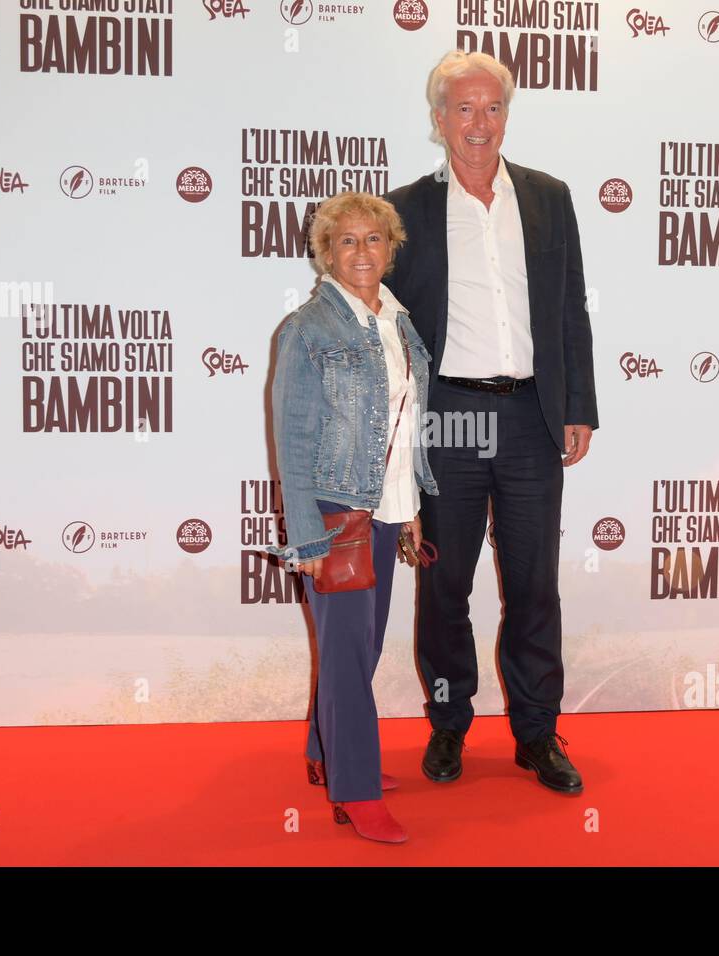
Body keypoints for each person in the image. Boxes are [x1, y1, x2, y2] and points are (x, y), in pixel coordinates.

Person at [385, 50, 599, 793]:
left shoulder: (549, 197)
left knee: (535, 584)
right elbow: (380, 327)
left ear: (508, 116)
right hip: (450, 415)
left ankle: (538, 734)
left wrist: (578, 406)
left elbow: (571, 309)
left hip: (534, 415)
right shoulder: (405, 211)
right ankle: (449, 724)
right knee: (446, 588)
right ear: (438, 118)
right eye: (464, 109)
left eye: (493, 108)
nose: (480, 124)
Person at [268, 191, 436, 843]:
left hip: (386, 505)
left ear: (391, 250)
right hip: (336, 508)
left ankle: (325, 751)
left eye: (374, 239)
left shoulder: (399, 321)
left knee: (359, 647)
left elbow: (404, 424)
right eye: (346, 241)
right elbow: (292, 436)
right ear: (326, 254)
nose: (361, 251)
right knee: (344, 654)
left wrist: (411, 503)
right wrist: (305, 530)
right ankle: (356, 789)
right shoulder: (307, 329)